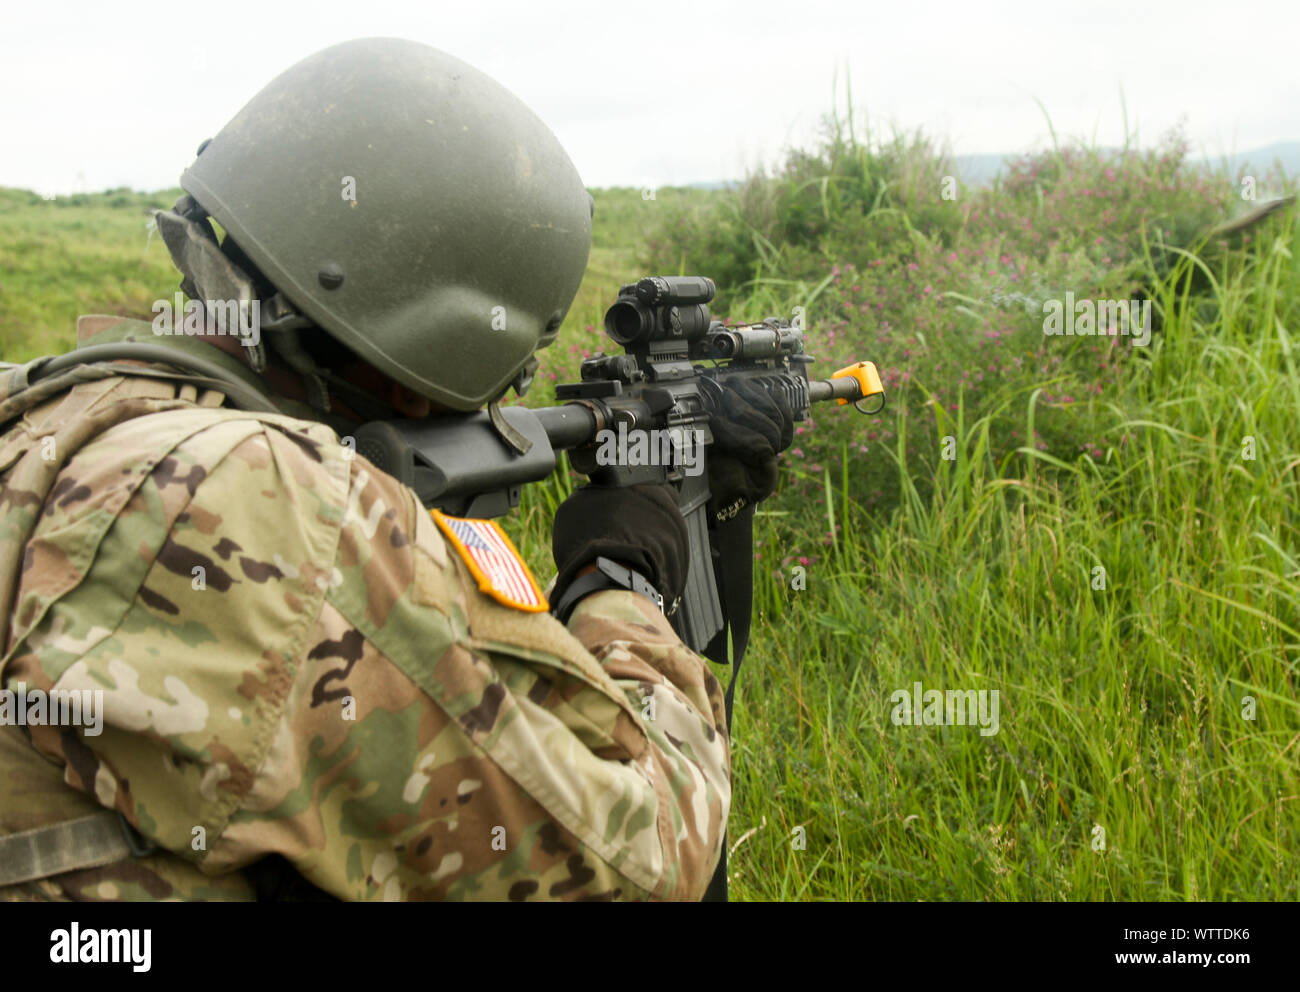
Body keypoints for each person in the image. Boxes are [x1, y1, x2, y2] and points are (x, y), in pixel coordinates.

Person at [0, 37, 789, 902]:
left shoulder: (56, 410)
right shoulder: (260, 506)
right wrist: (624, 586)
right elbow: (645, 861)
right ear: (427, 357)